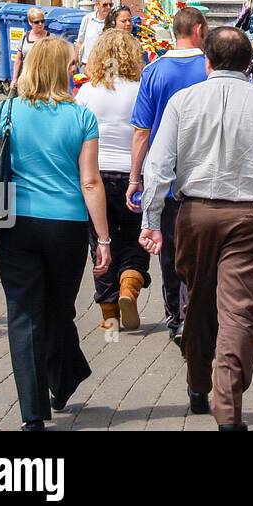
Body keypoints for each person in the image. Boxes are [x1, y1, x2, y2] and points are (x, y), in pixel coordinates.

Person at [140, 27, 253, 430]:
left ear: (208, 62)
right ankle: (226, 398)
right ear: (250, 64)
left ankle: (202, 385)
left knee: (198, 302)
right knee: (240, 311)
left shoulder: (183, 103)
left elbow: (158, 165)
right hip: (250, 217)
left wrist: (151, 220)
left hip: (195, 214)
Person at [0, 36, 111, 430]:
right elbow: (90, 182)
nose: (74, 70)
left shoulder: (7, 110)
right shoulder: (81, 117)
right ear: (56, 70)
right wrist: (103, 239)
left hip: (16, 225)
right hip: (66, 226)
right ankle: (63, 379)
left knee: (25, 315)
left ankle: (35, 412)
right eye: (70, 65)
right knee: (59, 308)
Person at [127, 6, 209, 350]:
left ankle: (174, 316)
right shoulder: (210, 68)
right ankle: (196, 312)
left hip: (166, 176)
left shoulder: (154, 71)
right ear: (200, 30)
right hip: (205, 173)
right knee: (203, 252)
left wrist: (136, 177)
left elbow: (142, 131)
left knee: (169, 250)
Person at [76, 29, 149, 332]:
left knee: (101, 241)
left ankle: (109, 315)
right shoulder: (140, 89)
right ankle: (129, 287)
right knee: (135, 236)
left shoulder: (87, 92)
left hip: (96, 175)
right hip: (134, 174)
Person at [75, 0, 113, 70]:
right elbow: (79, 42)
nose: (108, 7)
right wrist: (75, 64)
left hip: (105, 67)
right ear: (97, 5)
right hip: (86, 65)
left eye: (110, 5)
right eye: (105, 5)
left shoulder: (113, 21)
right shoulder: (87, 19)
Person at [13, 7, 49, 83]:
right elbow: (18, 60)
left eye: (42, 21)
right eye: (37, 22)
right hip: (26, 79)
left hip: (44, 80)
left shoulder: (50, 38)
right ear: (30, 22)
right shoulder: (24, 37)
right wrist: (15, 79)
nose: (40, 24)